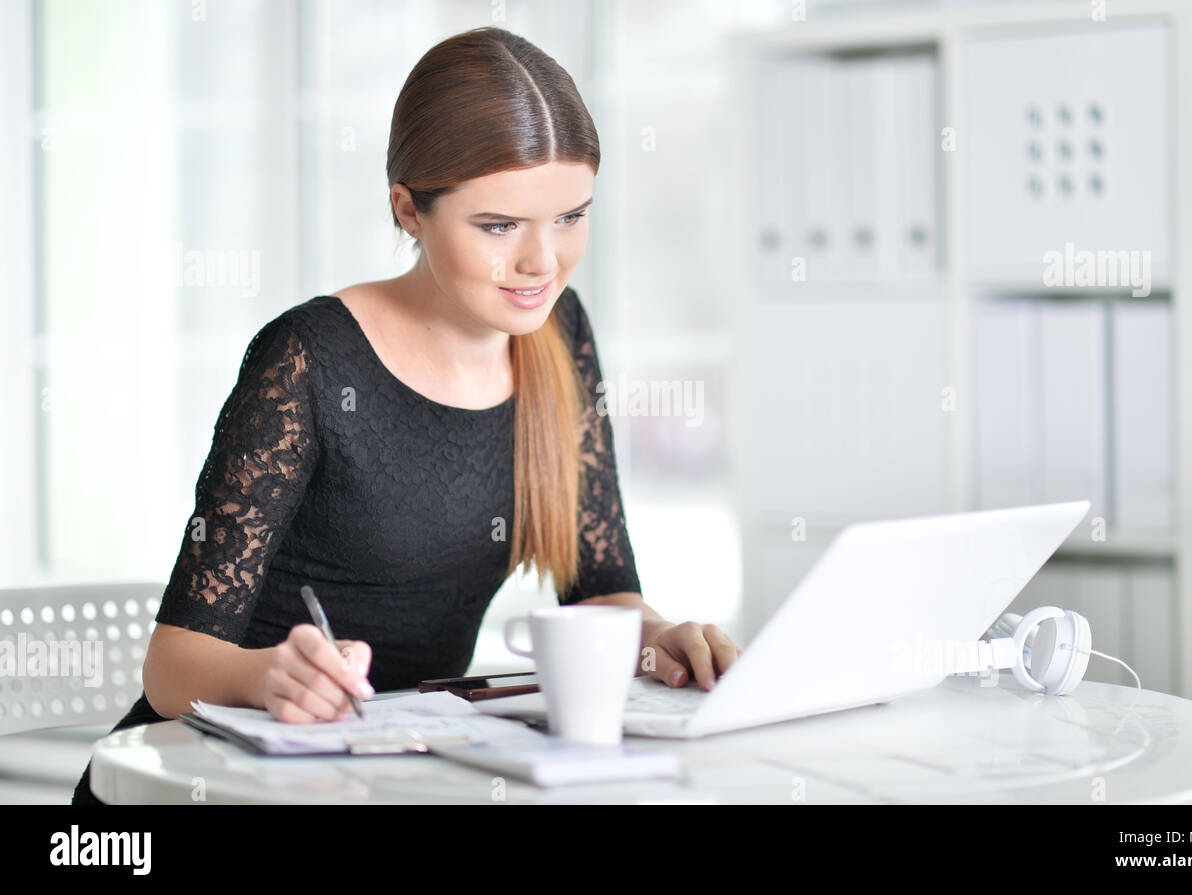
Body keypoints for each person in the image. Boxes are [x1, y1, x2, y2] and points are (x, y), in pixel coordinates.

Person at [72, 25, 740, 804]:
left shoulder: (560, 335)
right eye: (499, 226)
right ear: (408, 209)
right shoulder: (307, 358)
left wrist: (659, 637)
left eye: (570, 216)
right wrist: (266, 675)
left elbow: (598, 590)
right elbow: (171, 666)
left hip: (395, 774)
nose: (542, 261)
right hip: (215, 781)